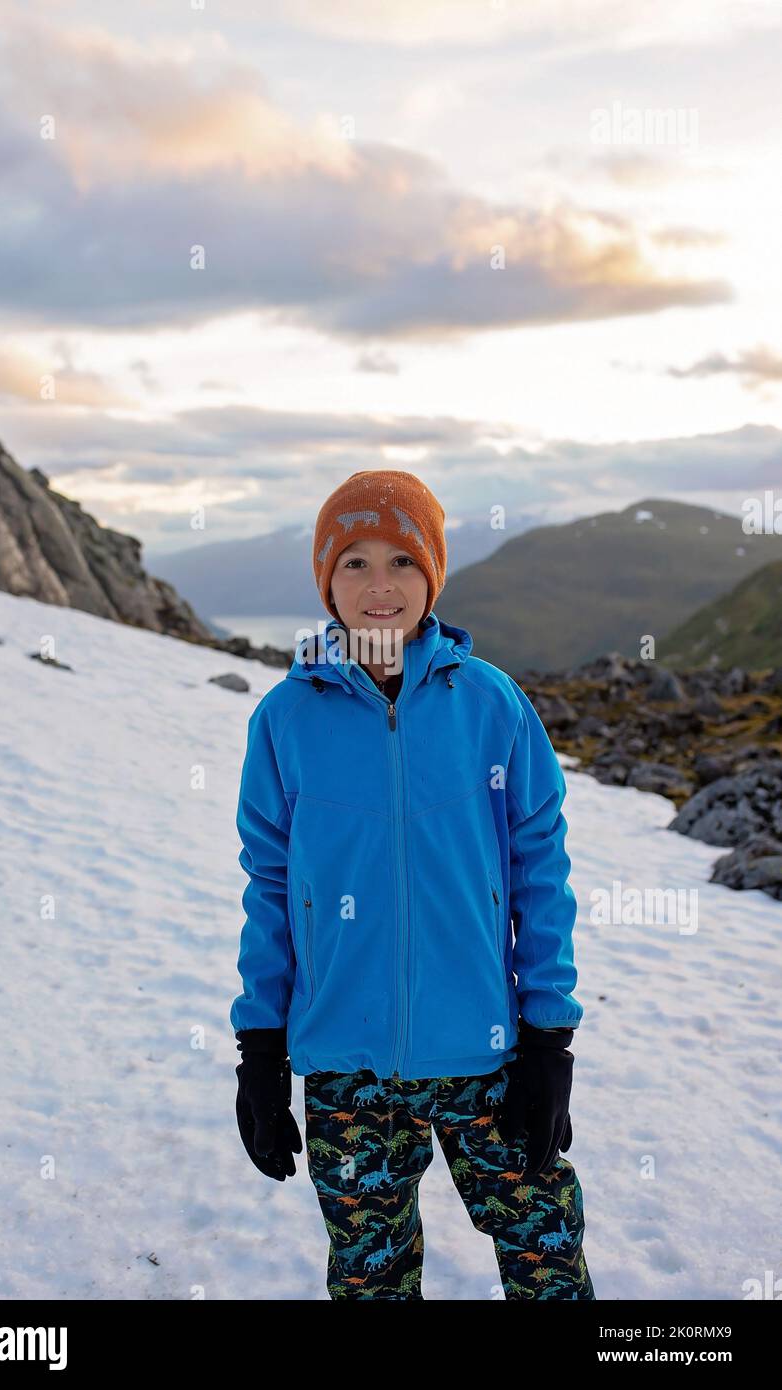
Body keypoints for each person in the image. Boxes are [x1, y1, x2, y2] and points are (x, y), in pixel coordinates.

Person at [230, 469, 595, 1300]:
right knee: (371, 1280)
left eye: (401, 558)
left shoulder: (492, 706)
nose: (379, 585)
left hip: (487, 1054)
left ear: (432, 573)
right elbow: (271, 886)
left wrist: (547, 1039)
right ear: (326, 581)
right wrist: (261, 1050)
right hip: (346, 1065)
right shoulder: (286, 719)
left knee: (547, 1259)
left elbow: (540, 870)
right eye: (352, 562)